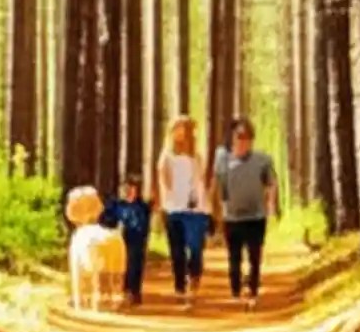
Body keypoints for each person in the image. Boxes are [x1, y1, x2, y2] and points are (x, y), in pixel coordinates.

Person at [212, 117, 277, 311]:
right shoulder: (222, 158)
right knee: (234, 258)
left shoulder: (262, 160)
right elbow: (216, 186)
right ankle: (235, 292)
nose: (243, 141)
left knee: (255, 256)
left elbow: (271, 183)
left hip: (256, 216)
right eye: (239, 136)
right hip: (232, 217)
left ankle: (253, 289)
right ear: (232, 138)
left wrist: (271, 204)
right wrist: (213, 212)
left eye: (248, 137)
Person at [156, 116, 209, 309]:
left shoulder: (197, 157)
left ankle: (194, 279)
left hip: (196, 209)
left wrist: (202, 201)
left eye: (185, 129)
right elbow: (163, 181)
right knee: (177, 251)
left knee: (195, 248)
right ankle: (180, 287)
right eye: (178, 129)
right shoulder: (166, 157)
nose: (182, 133)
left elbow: (200, 180)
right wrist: (163, 204)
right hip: (173, 209)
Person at [100, 174, 152, 306]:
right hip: (115, 241)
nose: (128, 191)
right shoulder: (115, 205)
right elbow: (105, 220)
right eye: (126, 188)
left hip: (134, 241)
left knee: (134, 263)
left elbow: (142, 226)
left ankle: (132, 292)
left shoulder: (142, 207)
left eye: (132, 188)